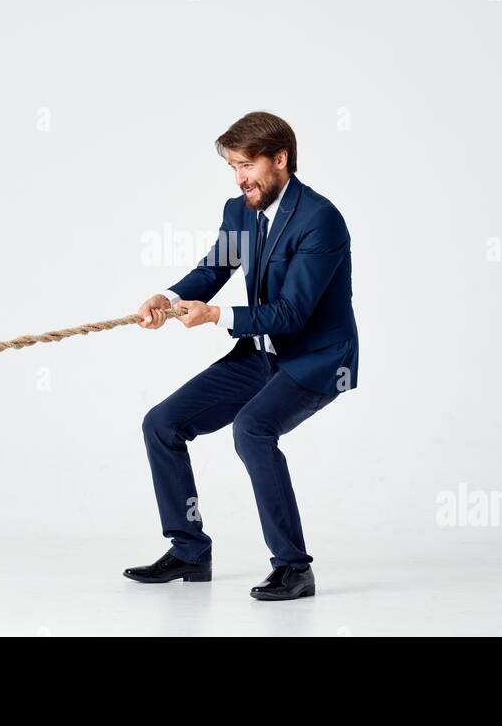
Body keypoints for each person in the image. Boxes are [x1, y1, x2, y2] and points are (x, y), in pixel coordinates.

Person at [126, 111, 359, 601]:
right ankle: (189, 551)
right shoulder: (240, 211)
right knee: (161, 424)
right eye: (233, 167)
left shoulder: (321, 220)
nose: (240, 179)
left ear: (281, 159)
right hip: (261, 353)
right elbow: (215, 267)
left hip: (317, 360)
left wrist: (215, 317)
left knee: (252, 429)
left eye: (247, 166)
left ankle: (294, 568)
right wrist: (167, 299)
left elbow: (292, 313)